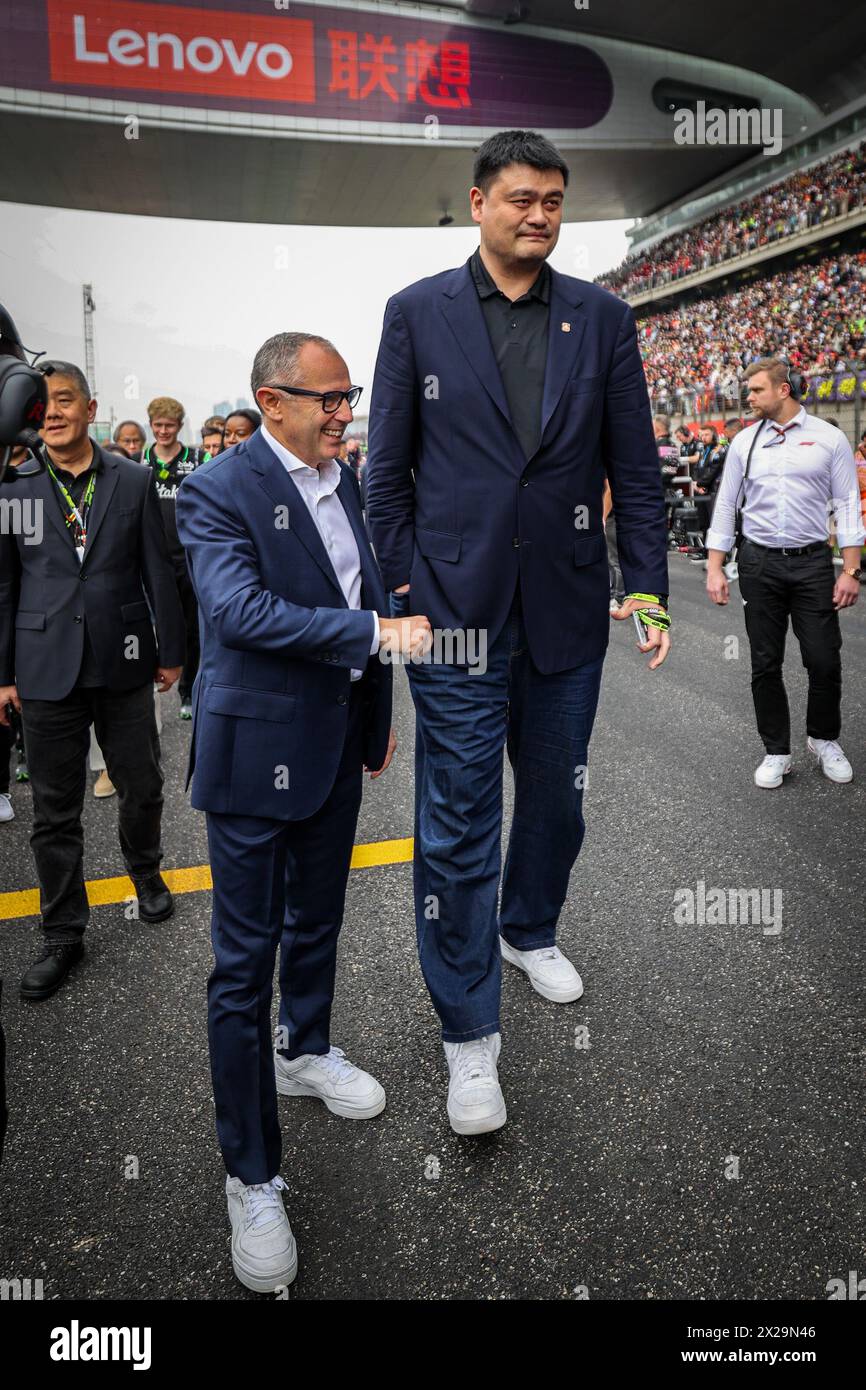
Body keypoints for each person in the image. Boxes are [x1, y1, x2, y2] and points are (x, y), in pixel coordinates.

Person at [367, 128, 670, 1137]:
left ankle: (528, 926)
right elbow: (386, 478)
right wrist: (404, 587)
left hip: (569, 606)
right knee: (456, 818)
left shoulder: (603, 317)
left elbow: (632, 468)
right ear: (477, 201)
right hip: (452, 613)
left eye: (552, 199)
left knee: (554, 800)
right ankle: (468, 1039)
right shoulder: (415, 313)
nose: (537, 213)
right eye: (519, 198)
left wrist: (648, 587)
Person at [176, 331, 430, 1294]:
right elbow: (238, 614)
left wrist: (377, 715)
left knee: (317, 921)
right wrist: (374, 634)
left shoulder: (346, 478)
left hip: (333, 749)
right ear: (268, 400)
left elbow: (360, 582)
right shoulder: (217, 489)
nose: (342, 411)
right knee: (243, 966)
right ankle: (251, 1174)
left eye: (347, 396)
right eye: (325, 398)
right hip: (252, 758)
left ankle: (308, 1050)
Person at [0, 362, 186, 1000]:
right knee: (55, 811)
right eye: (41, 405)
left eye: (64, 401)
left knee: (143, 784)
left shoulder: (132, 481)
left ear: (89, 407)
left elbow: (159, 568)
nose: (52, 413)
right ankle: (62, 934)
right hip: (44, 666)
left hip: (123, 657)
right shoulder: (16, 489)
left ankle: (146, 874)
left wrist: (173, 650)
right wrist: (3, 676)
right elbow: (7, 586)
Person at [706, 356, 863, 788]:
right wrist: (715, 567)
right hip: (758, 564)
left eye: (756, 389)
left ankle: (824, 738)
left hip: (813, 562)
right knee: (764, 662)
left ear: (783, 389)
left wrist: (851, 569)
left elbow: (848, 505)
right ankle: (776, 750)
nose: (748, 397)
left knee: (824, 659)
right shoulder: (743, 442)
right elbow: (725, 505)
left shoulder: (829, 438)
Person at [142, 396, 208, 719]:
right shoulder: (140, 462)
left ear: (179, 426)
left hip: (190, 557)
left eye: (169, 425)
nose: (163, 431)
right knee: (163, 625)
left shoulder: (197, 458)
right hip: (154, 560)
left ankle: (189, 692)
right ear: (151, 426)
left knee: (193, 627)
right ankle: (156, 679)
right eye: (158, 425)